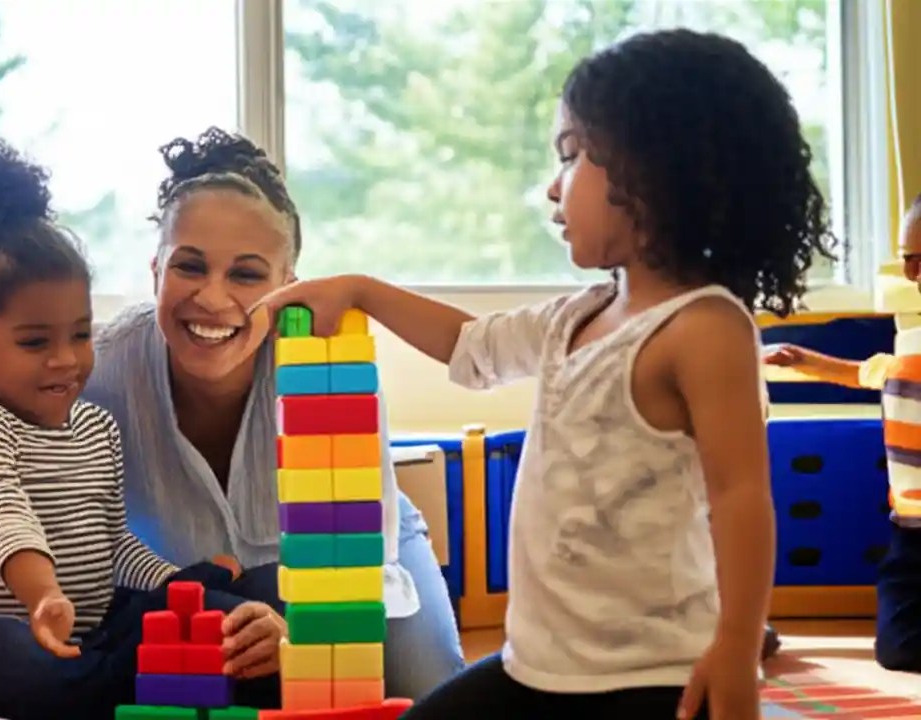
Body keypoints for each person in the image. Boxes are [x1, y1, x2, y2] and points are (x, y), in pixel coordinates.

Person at [254, 29, 838, 720]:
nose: (553, 188)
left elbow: (743, 494)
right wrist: (361, 290)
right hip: (539, 664)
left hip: (653, 674)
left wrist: (738, 647)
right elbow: (470, 344)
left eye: (571, 156)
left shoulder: (704, 328)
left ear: (649, 171)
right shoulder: (576, 317)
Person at [80, 127, 467, 700]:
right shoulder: (102, 368)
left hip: (357, 554)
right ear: (156, 272)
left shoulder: (330, 359)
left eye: (245, 274)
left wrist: (305, 638)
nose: (213, 299)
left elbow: (369, 559)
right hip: (193, 582)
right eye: (189, 266)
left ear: (288, 284)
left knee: (424, 694)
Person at [0, 138, 285, 720]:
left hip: (106, 628)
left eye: (78, 334)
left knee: (267, 594)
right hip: (31, 637)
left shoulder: (95, 426)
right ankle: (143, 685)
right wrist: (43, 595)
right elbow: (4, 514)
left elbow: (115, 544)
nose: (65, 360)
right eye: (34, 342)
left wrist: (182, 591)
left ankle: (154, 675)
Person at [765, 193, 921, 674]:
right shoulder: (908, 344)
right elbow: (866, 374)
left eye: (920, 260)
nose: (912, 274)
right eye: (906, 261)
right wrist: (806, 361)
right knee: (897, 648)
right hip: (911, 532)